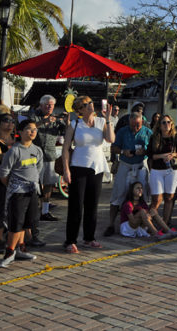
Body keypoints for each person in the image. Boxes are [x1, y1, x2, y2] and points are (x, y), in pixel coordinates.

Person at [61, 96, 115, 253]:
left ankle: (89, 238)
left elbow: (111, 139)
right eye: (86, 104)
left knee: (92, 205)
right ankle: (70, 240)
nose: (91, 105)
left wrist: (108, 119)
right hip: (78, 166)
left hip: (96, 167)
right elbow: (65, 148)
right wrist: (66, 170)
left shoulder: (100, 122)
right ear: (80, 110)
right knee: (76, 205)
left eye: (91, 102)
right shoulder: (74, 124)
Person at [0, 119, 42, 268]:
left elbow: (38, 169)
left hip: (32, 191)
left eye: (34, 129)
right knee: (15, 224)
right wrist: (14, 186)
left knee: (26, 222)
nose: (32, 132)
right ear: (20, 132)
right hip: (18, 192)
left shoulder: (37, 150)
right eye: (29, 129)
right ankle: (9, 252)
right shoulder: (14, 151)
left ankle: (20, 248)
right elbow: (3, 173)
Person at [105, 112, 153, 237]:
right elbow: (113, 147)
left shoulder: (148, 132)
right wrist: (123, 151)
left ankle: (144, 223)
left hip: (141, 164)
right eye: (133, 125)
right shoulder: (122, 131)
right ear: (129, 123)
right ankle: (111, 224)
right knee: (118, 194)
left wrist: (145, 150)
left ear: (142, 122)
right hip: (125, 164)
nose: (135, 128)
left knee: (143, 194)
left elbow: (154, 149)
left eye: (138, 125)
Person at [29, 95, 68, 224]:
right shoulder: (34, 116)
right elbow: (29, 127)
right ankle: (33, 209)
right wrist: (43, 122)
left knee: (49, 184)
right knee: (34, 184)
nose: (49, 107)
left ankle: (45, 211)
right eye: (47, 105)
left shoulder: (56, 119)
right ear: (41, 105)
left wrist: (67, 120)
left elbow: (67, 132)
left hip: (50, 155)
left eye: (51, 105)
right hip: (34, 155)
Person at [149, 114, 177, 227]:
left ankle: (165, 224)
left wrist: (173, 154)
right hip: (157, 170)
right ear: (159, 125)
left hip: (172, 170)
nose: (167, 125)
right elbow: (151, 155)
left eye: (169, 122)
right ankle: (147, 222)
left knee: (169, 198)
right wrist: (162, 156)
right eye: (164, 123)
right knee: (156, 199)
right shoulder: (154, 137)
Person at [0, 111, 15, 252]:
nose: (10, 123)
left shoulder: (15, 139)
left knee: (13, 211)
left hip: (15, 181)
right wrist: (16, 151)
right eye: (6, 120)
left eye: (12, 121)